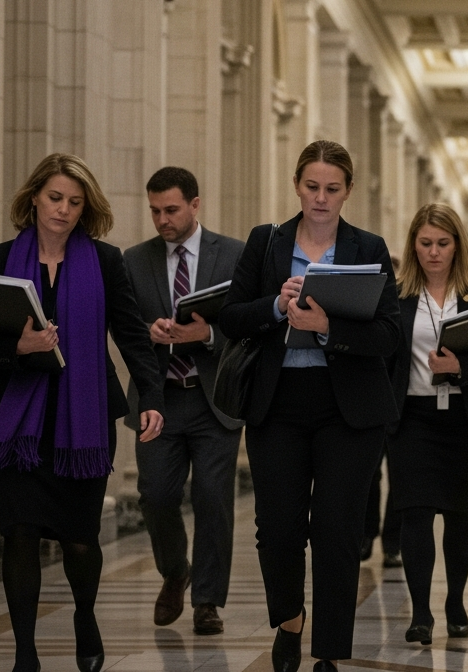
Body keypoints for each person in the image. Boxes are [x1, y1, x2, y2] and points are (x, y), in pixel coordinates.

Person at [0, 153, 167, 672]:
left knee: (79, 537)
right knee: (20, 534)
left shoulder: (103, 261)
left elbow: (132, 336)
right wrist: (19, 348)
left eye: (75, 202)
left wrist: (152, 398)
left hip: (84, 417)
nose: (64, 209)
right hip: (16, 422)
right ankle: (24, 652)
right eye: (55, 198)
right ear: (34, 198)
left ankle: (85, 616)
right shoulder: (0, 257)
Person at [220, 140, 400, 672]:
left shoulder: (368, 247)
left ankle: (327, 651)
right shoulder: (267, 242)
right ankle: (290, 620)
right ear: (297, 185)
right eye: (312, 187)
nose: (321, 198)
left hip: (348, 410)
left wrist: (328, 328)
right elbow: (230, 317)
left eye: (333, 188)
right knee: (277, 528)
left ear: (348, 191)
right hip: (278, 405)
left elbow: (388, 333)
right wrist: (276, 306)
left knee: (338, 529)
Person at [123, 167, 246, 634]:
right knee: (155, 494)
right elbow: (125, 324)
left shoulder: (233, 255)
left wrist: (208, 333)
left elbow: (248, 324)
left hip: (213, 398)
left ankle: (207, 601)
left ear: (195, 205)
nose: (162, 220)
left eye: (171, 210)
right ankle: (176, 571)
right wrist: (149, 332)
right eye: (154, 211)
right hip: (159, 398)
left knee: (214, 498)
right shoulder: (135, 260)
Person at [388, 203, 468, 644]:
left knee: (461, 515)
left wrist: (462, 364)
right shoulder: (397, 292)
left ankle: (455, 601)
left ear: (457, 244)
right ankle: (420, 612)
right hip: (413, 416)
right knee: (415, 511)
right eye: (425, 244)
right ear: (413, 245)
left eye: (443, 243)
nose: (434, 252)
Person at [363, 257, 404, 568]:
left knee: (399, 479)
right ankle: (367, 536)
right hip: (370, 406)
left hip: (402, 406)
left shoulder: (404, 311)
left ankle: (392, 543)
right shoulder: (363, 310)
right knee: (369, 476)